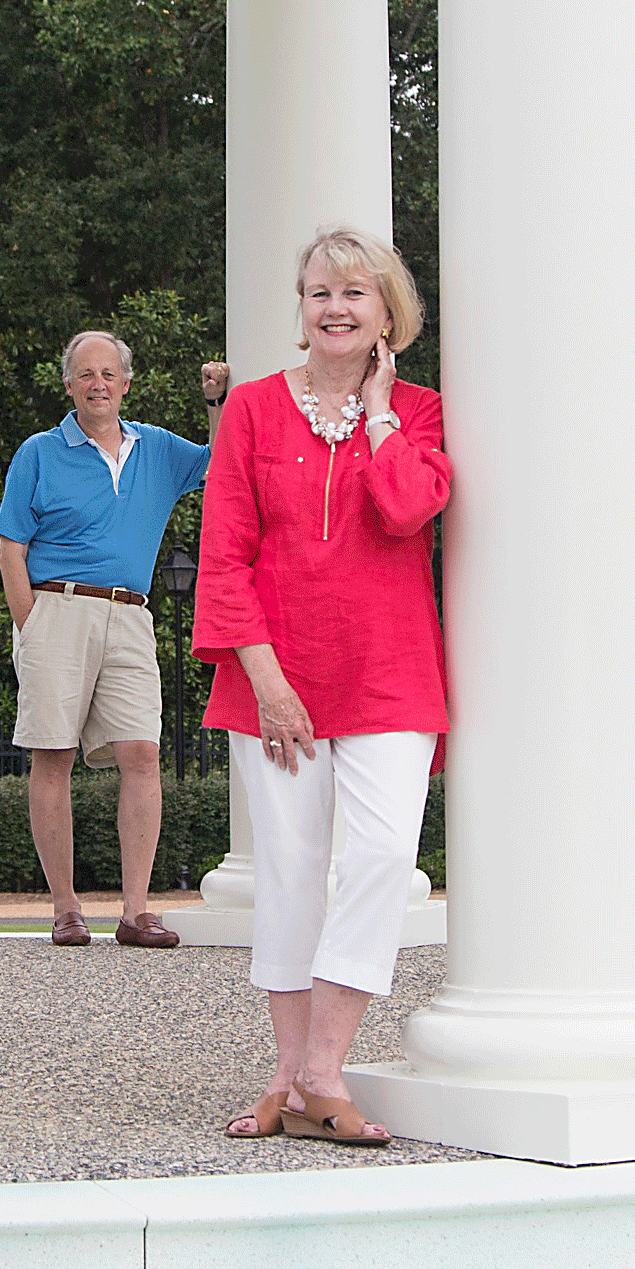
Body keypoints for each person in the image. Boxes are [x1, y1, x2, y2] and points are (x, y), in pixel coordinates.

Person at [194, 227, 451, 1147]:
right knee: (292, 873)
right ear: (301, 309)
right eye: (318, 293)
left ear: (389, 313)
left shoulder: (420, 413)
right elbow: (224, 556)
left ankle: (321, 1068)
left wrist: (379, 412)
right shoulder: (254, 410)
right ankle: (295, 1078)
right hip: (275, 678)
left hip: (390, 674)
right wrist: (265, 679)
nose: (334, 309)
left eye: (354, 294)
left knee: (384, 858)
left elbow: (407, 507)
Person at [0, 332, 234, 947]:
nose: (97, 383)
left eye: (108, 373)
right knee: (52, 756)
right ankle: (66, 908)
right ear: (68, 385)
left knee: (143, 755)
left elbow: (222, 463)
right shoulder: (39, 453)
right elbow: (10, 548)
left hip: (131, 616)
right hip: (57, 608)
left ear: (126, 383)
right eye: (84, 374)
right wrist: (32, 625)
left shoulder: (155, 448)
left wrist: (216, 400)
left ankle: (134, 912)